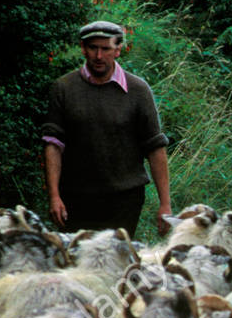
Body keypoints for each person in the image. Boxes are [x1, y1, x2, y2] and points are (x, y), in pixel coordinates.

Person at [42, 19, 172, 237]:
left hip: (125, 199)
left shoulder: (138, 91)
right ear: (83, 49)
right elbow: (53, 144)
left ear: (118, 50)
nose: (99, 56)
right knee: (77, 263)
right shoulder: (63, 89)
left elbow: (155, 147)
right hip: (76, 198)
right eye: (93, 48)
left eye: (106, 49)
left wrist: (165, 204)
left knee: (116, 261)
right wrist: (54, 196)